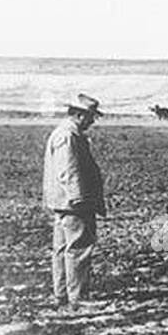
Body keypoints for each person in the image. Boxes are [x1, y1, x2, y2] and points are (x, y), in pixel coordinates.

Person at [42, 94, 106, 306]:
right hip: (73, 203)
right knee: (79, 249)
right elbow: (68, 171)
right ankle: (78, 298)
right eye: (90, 117)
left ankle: (63, 295)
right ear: (79, 115)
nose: (92, 121)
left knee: (62, 250)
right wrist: (78, 198)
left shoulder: (65, 133)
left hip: (63, 203)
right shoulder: (68, 136)